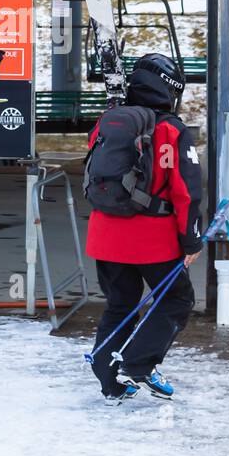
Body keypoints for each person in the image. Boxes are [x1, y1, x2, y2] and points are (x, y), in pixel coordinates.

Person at [84, 54, 203, 404]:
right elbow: (186, 191)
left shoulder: (107, 121)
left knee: (119, 304)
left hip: (105, 236)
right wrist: (190, 240)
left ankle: (110, 379)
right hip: (152, 239)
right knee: (177, 299)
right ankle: (138, 363)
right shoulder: (172, 130)